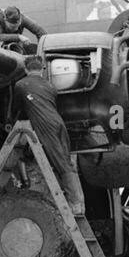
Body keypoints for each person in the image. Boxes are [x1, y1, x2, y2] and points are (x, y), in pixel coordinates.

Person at [13, 53, 85, 214]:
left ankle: (75, 205)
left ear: (25, 68)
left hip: (45, 125)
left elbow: (18, 108)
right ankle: (80, 203)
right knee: (67, 162)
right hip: (59, 123)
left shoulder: (21, 85)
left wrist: (11, 124)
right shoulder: (51, 86)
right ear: (43, 68)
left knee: (62, 164)